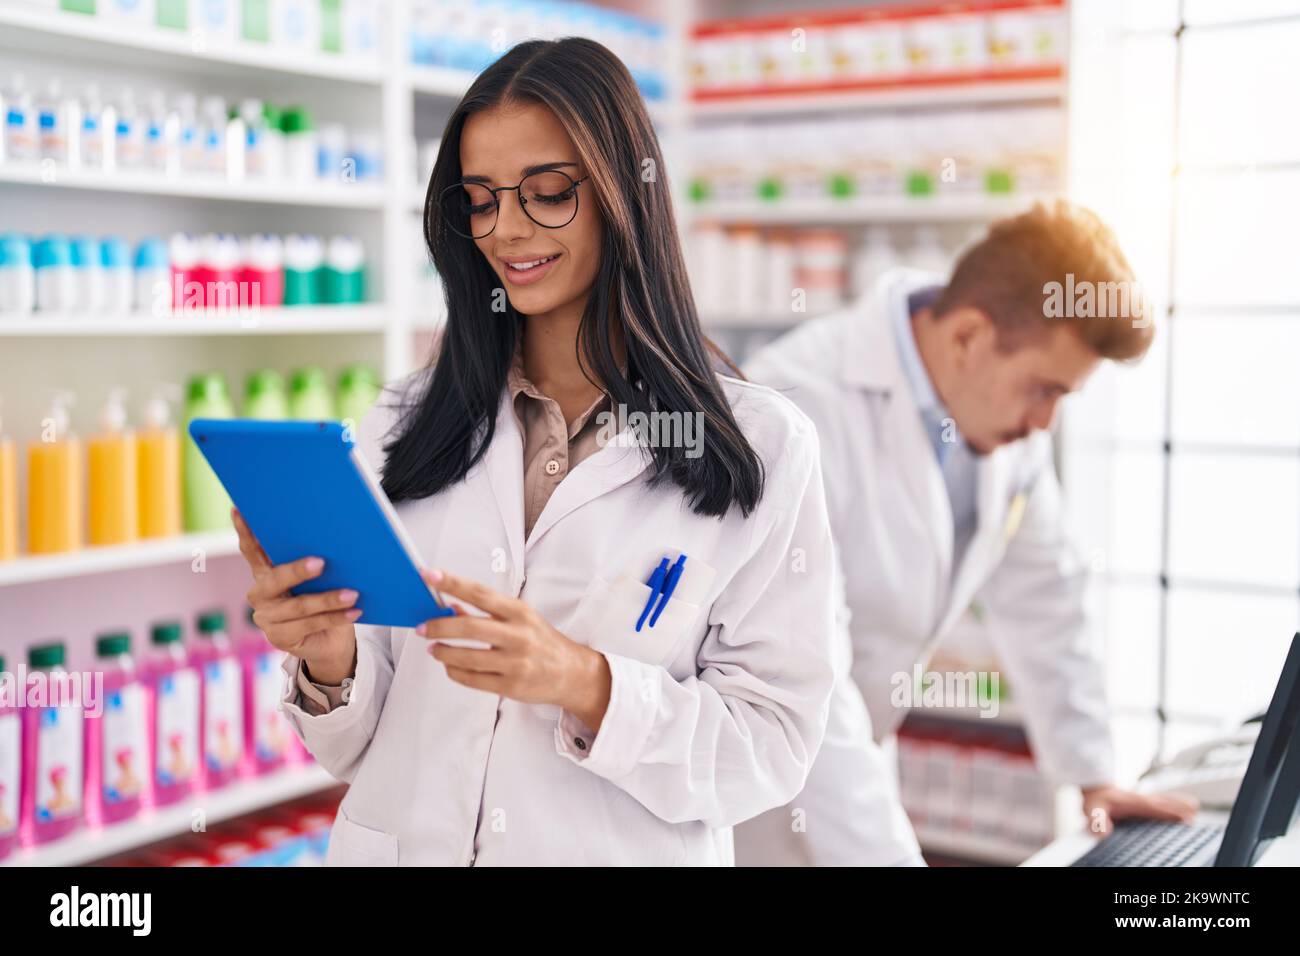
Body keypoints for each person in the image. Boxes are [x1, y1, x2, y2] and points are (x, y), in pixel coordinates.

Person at [234, 38, 836, 866]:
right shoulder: (409, 422)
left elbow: (772, 747)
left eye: (548, 193)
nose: (506, 230)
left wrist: (584, 682)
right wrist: (328, 657)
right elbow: (354, 747)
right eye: (480, 200)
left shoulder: (760, 446)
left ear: (626, 191)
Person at [737, 202, 1198, 865]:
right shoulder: (798, 408)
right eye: (1043, 390)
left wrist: (1094, 776)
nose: (1045, 423)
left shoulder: (1001, 420)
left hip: (854, 768)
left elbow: (1046, 599)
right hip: (759, 799)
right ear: (969, 337)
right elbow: (808, 681)